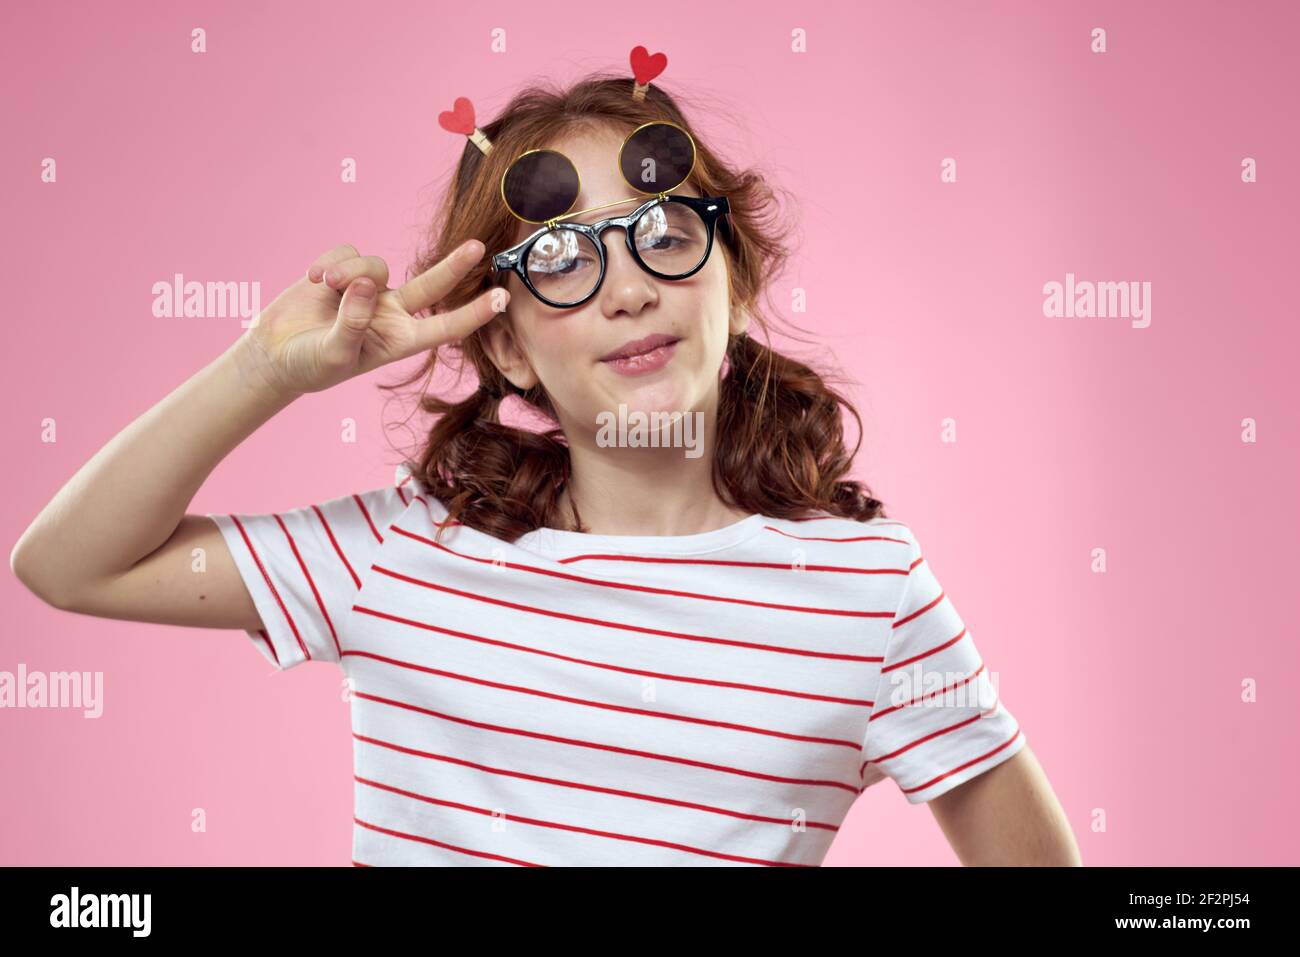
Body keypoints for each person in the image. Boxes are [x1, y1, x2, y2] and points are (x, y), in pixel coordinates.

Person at [10, 61, 1079, 867]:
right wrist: (264, 370)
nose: (626, 289)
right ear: (509, 344)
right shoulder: (401, 550)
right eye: (562, 260)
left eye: (664, 233)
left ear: (735, 282)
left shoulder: (866, 590)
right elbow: (70, 567)